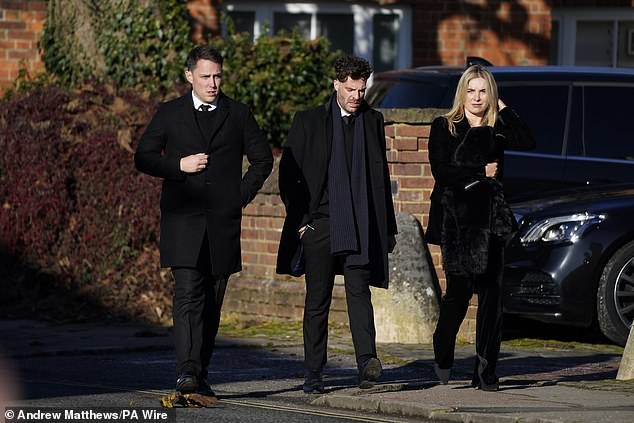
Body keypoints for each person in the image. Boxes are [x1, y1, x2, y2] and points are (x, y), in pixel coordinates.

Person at [134, 45, 273, 397]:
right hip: (182, 220)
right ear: (189, 76)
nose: (213, 83)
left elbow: (262, 161)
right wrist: (177, 166)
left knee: (212, 302)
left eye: (218, 76)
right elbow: (144, 157)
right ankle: (186, 372)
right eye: (206, 76)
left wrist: (238, 197)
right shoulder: (170, 113)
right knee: (188, 295)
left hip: (221, 224)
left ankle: (201, 371)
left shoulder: (238, 114)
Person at [276, 55, 398, 393]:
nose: (356, 96)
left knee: (360, 293)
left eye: (361, 89)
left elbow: (380, 177)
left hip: (361, 222)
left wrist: (387, 228)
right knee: (318, 301)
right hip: (321, 224)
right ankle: (314, 373)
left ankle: (366, 365)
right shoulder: (309, 121)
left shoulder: (373, 120)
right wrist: (302, 222)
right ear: (336, 84)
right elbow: (290, 175)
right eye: (350, 89)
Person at [425, 64, 534, 391]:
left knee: (492, 298)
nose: (476, 97)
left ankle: (486, 373)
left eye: (482, 91)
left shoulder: (497, 127)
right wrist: (479, 172)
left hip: (492, 222)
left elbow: (527, 139)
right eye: (470, 91)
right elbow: (441, 171)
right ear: (462, 93)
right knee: (457, 296)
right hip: (456, 223)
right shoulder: (444, 126)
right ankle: (443, 351)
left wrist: (502, 107)